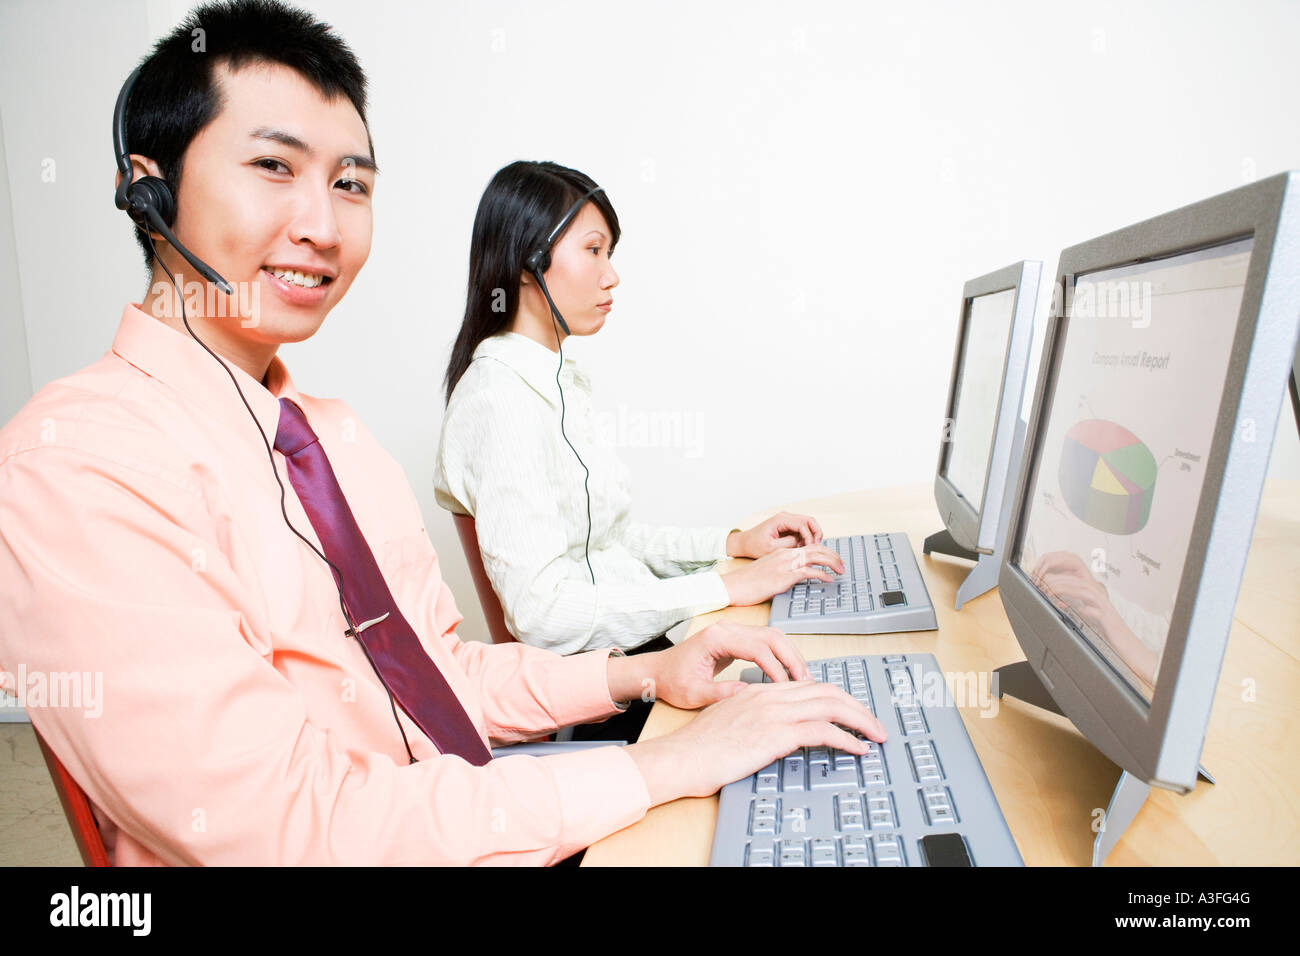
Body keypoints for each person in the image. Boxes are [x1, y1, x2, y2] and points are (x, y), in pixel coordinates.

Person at [0, 0, 885, 866]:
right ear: (148, 190)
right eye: (275, 167)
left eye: (351, 184)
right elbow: (289, 829)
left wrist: (644, 677)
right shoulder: (79, 467)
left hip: (459, 806)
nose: (321, 224)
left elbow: (439, 674)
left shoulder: (330, 438)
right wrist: (658, 764)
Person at [435, 161, 846, 660]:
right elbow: (542, 616)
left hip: (632, 656)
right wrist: (727, 588)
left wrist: (734, 546)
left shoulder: (557, 379)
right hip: (601, 688)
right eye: (593, 251)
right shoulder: (500, 401)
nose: (612, 276)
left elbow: (611, 544)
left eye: (609, 253)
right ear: (529, 262)